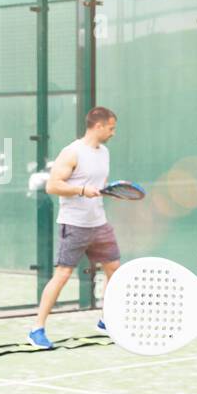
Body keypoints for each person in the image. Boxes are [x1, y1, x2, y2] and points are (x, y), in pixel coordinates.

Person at [29, 106, 122, 348]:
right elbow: (52, 186)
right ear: (98, 126)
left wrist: (101, 192)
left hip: (99, 223)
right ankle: (37, 329)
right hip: (74, 224)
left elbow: (96, 186)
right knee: (63, 274)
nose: (113, 133)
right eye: (111, 128)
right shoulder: (71, 153)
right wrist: (81, 190)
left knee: (114, 270)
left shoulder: (105, 153)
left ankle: (106, 321)